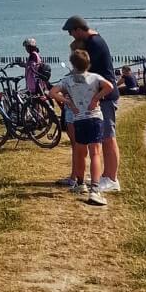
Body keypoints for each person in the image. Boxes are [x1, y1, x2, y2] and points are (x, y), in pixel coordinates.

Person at [51, 49, 115, 206]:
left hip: (79, 119)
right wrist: (96, 98)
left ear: (73, 64)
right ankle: (95, 189)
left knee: (80, 153)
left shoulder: (68, 80)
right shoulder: (95, 77)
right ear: (89, 63)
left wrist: (68, 103)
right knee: (95, 154)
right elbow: (109, 86)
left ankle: (80, 184)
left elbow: (52, 92)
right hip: (94, 118)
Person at [62, 17, 119, 192]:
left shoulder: (94, 43)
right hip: (101, 95)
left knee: (108, 138)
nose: (71, 36)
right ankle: (105, 176)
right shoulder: (94, 41)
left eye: (71, 32)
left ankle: (111, 178)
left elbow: (88, 72)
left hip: (106, 96)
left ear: (79, 29)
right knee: (104, 138)